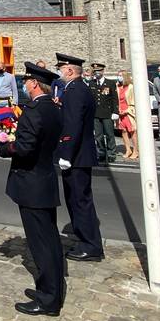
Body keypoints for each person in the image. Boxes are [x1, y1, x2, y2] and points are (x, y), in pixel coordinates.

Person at [0, 62, 66, 317]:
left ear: (35, 84)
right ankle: (49, 289)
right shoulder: (52, 108)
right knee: (49, 239)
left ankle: (49, 300)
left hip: (32, 183)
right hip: (45, 179)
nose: (25, 85)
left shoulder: (34, 111)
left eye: (27, 81)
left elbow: (25, 148)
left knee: (41, 244)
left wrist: (4, 147)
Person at [54, 53, 104, 263]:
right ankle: (86, 240)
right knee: (78, 200)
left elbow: (73, 125)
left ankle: (90, 245)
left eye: (61, 68)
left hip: (77, 156)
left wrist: (66, 154)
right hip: (79, 153)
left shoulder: (75, 91)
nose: (60, 72)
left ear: (70, 70)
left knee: (79, 201)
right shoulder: (77, 89)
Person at [88, 63, 119, 164]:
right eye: (95, 71)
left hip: (107, 113)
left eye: (99, 71)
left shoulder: (110, 83)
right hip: (96, 114)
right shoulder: (92, 83)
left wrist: (115, 111)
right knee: (98, 135)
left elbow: (114, 98)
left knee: (109, 134)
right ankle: (101, 152)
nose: (97, 73)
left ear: (102, 71)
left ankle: (111, 153)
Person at [116, 70, 138, 160]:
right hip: (120, 111)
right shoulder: (118, 87)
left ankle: (136, 151)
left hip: (129, 112)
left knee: (132, 132)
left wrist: (127, 110)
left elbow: (134, 100)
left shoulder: (131, 87)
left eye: (120, 75)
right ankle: (128, 149)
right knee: (123, 131)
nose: (119, 77)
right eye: (118, 75)